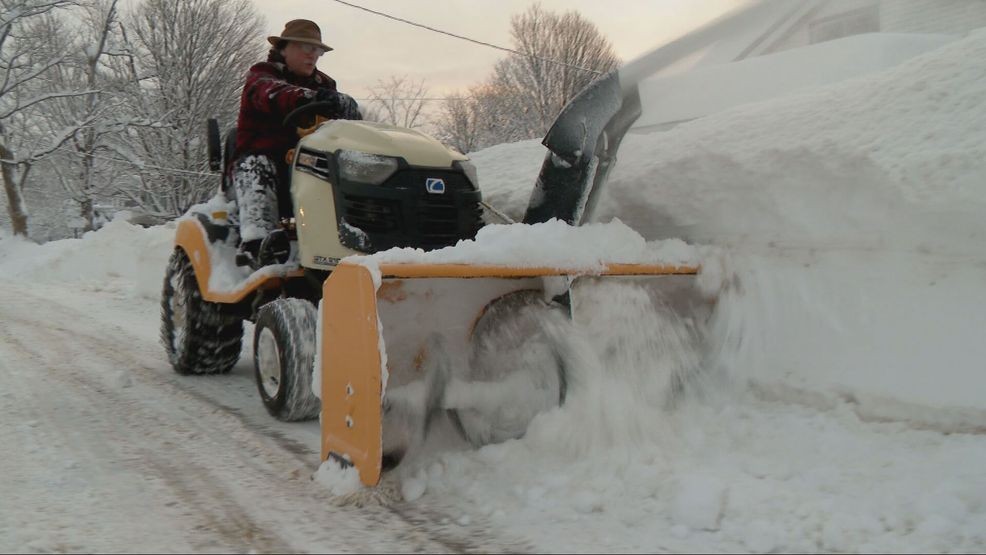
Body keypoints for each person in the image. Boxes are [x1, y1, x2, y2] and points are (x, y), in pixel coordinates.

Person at [232, 19, 360, 268]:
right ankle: (257, 242)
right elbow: (271, 93)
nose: (313, 55)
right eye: (306, 47)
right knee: (255, 165)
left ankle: (353, 237)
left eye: (318, 50)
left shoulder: (325, 85)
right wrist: (309, 98)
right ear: (284, 49)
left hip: (307, 162)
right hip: (268, 161)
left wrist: (348, 110)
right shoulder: (262, 76)